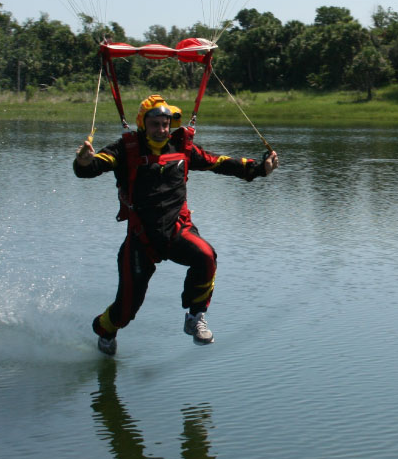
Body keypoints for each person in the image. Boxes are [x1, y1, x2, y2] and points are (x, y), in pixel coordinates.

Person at [74, 94, 278, 356]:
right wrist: (82, 161)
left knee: (206, 255)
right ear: (143, 124)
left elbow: (219, 162)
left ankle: (195, 317)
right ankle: (105, 329)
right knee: (126, 310)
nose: (161, 129)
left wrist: (260, 168)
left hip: (177, 231)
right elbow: (93, 166)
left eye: (165, 124)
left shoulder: (182, 149)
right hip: (141, 240)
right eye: (155, 124)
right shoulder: (127, 149)